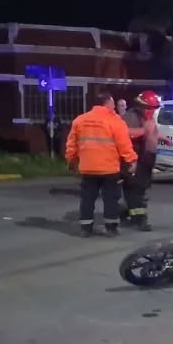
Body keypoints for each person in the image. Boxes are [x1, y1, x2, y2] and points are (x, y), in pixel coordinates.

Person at [64, 92, 138, 237]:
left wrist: (71, 161)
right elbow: (124, 145)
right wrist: (131, 161)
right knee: (111, 198)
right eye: (113, 102)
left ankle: (85, 228)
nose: (114, 106)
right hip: (109, 168)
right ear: (108, 103)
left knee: (87, 198)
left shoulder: (80, 120)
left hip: (88, 167)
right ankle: (111, 228)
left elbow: (71, 145)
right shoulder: (115, 121)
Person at [121, 89, 161, 231]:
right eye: (151, 108)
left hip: (146, 158)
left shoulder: (147, 118)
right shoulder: (131, 117)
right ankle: (139, 220)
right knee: (135, 190)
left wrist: (162, 138)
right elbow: (123, 133)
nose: (153, 111)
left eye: (155, 108)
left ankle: (126, 213)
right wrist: (144, 132)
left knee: (140, 189)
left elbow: (152, 133)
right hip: (134, 158)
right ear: (142, 106)